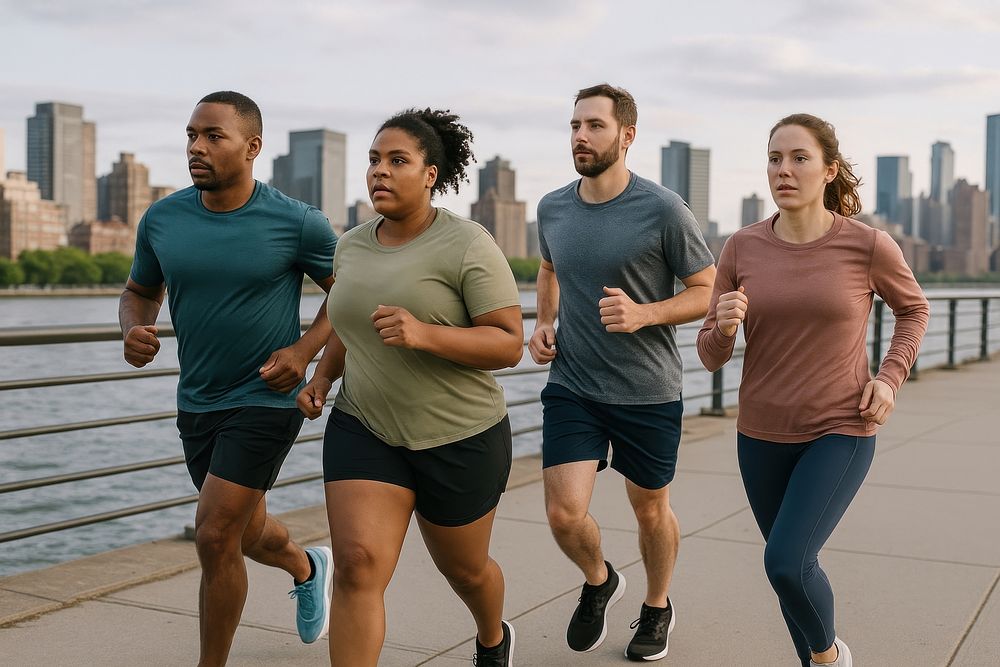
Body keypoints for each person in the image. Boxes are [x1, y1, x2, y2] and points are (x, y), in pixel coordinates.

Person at [696, 113, 929, 667]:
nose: (785, 169)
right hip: (760, 434)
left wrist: (890, 377)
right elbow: (709, 356)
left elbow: (914, 310)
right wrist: (724, 325)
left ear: (829, 170)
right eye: (775, 158)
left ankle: (829, 659)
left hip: (841, 428)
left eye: (800, 158)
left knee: (784, 561)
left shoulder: (867, 245)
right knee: (792, 575)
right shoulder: (740, 248)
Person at [296, 107, 522, 667]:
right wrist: (322, 376)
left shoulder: (468, 244)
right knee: (357, 564)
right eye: (374, 159)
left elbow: (508, 344)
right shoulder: (351, 245)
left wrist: (425, 334)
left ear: (430, 174)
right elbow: (350, 324)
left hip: (459, 435)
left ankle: (493, 635)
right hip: (366, 426)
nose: (380, 171)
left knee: (466, 571)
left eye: (398, 160)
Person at [120, 91, 338, 666]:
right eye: (192, 134)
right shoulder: (163, 219)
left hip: (267, 396)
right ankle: (306, 565)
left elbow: (351, 296)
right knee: (242, 531)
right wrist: (134, 328)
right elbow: (140, 291)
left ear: (252, 147)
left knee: (214, 534)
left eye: (213, 136)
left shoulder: (296, 221)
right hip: (197, 400)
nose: (196, 146)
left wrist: (304, 351)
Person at [528, 83, 716, 662]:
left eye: (594, 126)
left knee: (649, 509)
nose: (580, 136)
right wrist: (543, 321)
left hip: (647, 390)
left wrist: (645, 315)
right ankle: (599, 580)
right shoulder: (552, 206)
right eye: (574, 125)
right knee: (563, 513)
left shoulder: (663, 208)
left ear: (626, 136)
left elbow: (707, 290)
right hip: (574, 385)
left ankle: (657, 605)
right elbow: (548, 267)